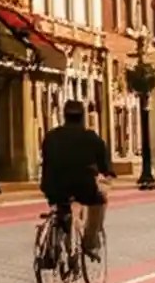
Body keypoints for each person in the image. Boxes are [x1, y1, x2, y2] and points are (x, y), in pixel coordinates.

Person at [40, 99, 112, 259]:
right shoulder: (91, 138)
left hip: (53, 186)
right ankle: (90, 243)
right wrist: (107, 172)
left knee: (61, 206)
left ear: (64, 116)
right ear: (83, 117)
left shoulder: (51, 137)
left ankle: (55, 242)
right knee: (100, 201)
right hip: (82, 186)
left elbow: (45, 159)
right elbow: (104, 165)